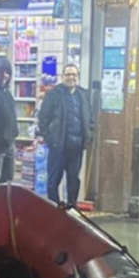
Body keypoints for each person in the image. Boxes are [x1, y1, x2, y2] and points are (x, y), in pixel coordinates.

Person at [37, 63, 94, 205]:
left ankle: (72, 208)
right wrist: (51, 140)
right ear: (62, 77)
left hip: (77, 147)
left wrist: (88, 136)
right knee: (53, 180)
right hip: (58, 146)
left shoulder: (83, 94)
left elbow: (90, 118)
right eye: (68, 74)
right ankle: (53, 209)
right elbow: (43, 119)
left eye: (74, 74)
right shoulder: (53, 95)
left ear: (78, 77)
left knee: (73, 180)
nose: (71, 77)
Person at [0, 57, 19, 184]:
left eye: (7, 72)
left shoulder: (7, 92)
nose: (4, 75)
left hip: (10, 146)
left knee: (8, 180)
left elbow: (12, 116)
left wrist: (14, 134)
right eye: (1, 72)